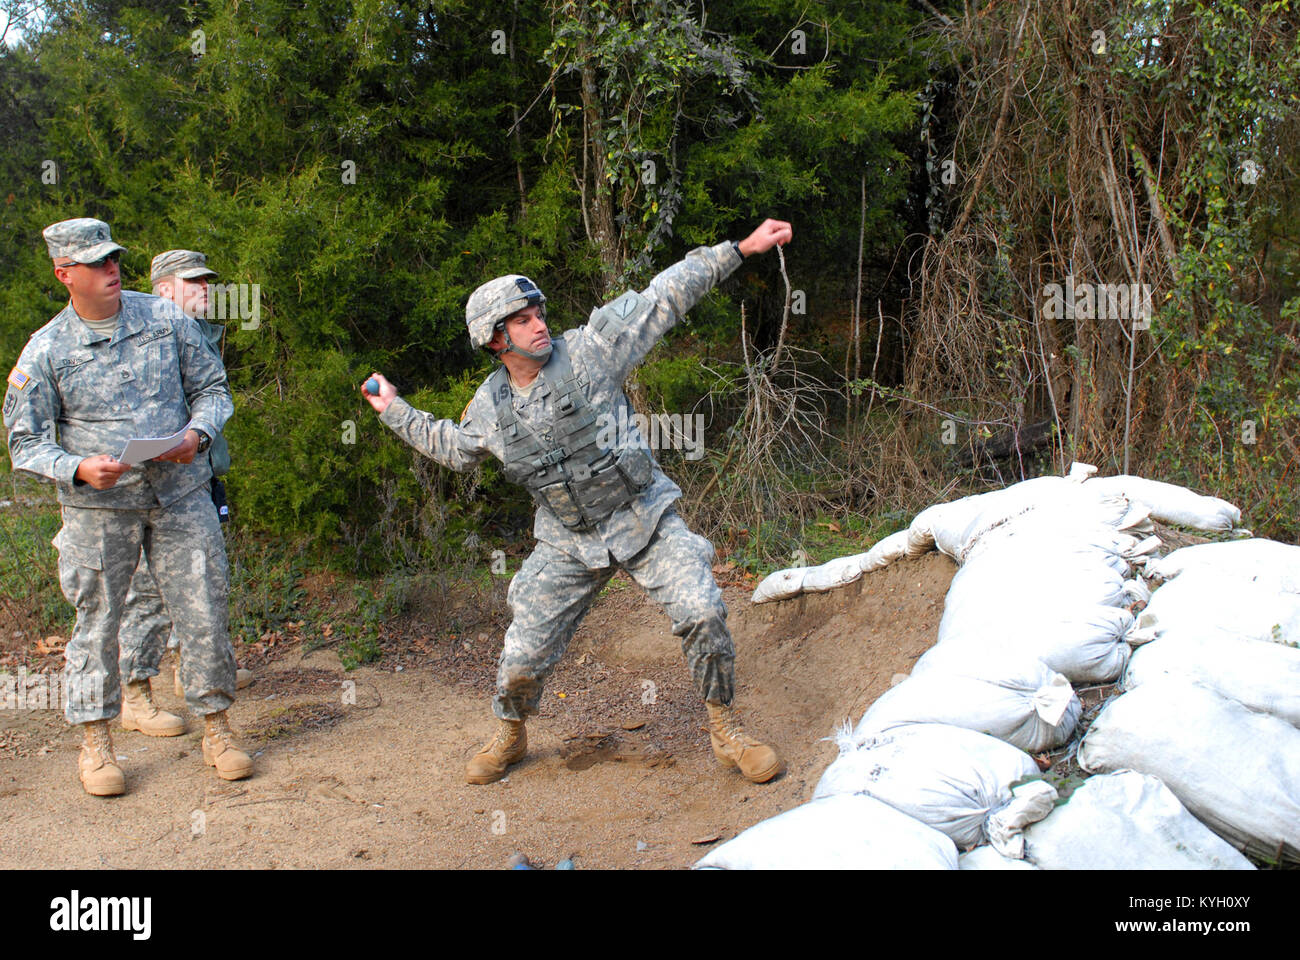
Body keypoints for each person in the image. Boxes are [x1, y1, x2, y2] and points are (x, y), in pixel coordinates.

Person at [364, 218, 793, 785]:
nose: (540, 325)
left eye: (539, 314)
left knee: (703, 609)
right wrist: (393, 408)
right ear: (496, 340)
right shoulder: (489, 409)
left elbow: (664, 296)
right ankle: (512, 735)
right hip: (567, 540)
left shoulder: (592, 350)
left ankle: (725, 729)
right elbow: (452, 446)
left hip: (643, 515)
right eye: (523, 320)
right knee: (520, 656)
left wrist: (739, 250)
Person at [3, 218, 252, 796]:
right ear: (65, 274)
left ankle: (217, 729)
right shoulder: (46, 349)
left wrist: (198, 436)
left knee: (205, 610)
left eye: (113, 258)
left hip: (179, 497)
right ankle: (96, 746)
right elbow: (25, 441)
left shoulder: (165, 320)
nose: (111, 269)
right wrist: (78, 467)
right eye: (95, 263)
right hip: (100, 510)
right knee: (97, 623)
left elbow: (213, 390)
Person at [114, 250, 252, 738]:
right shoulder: (138, 335)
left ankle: (186, 670)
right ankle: (135, 692)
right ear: (164, 288)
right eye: (194, 281)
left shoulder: (202, 333)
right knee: (145, 589)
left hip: (195, 475)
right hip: (139, 486)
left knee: (196, 582)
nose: (207, 289)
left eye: (208, 281)